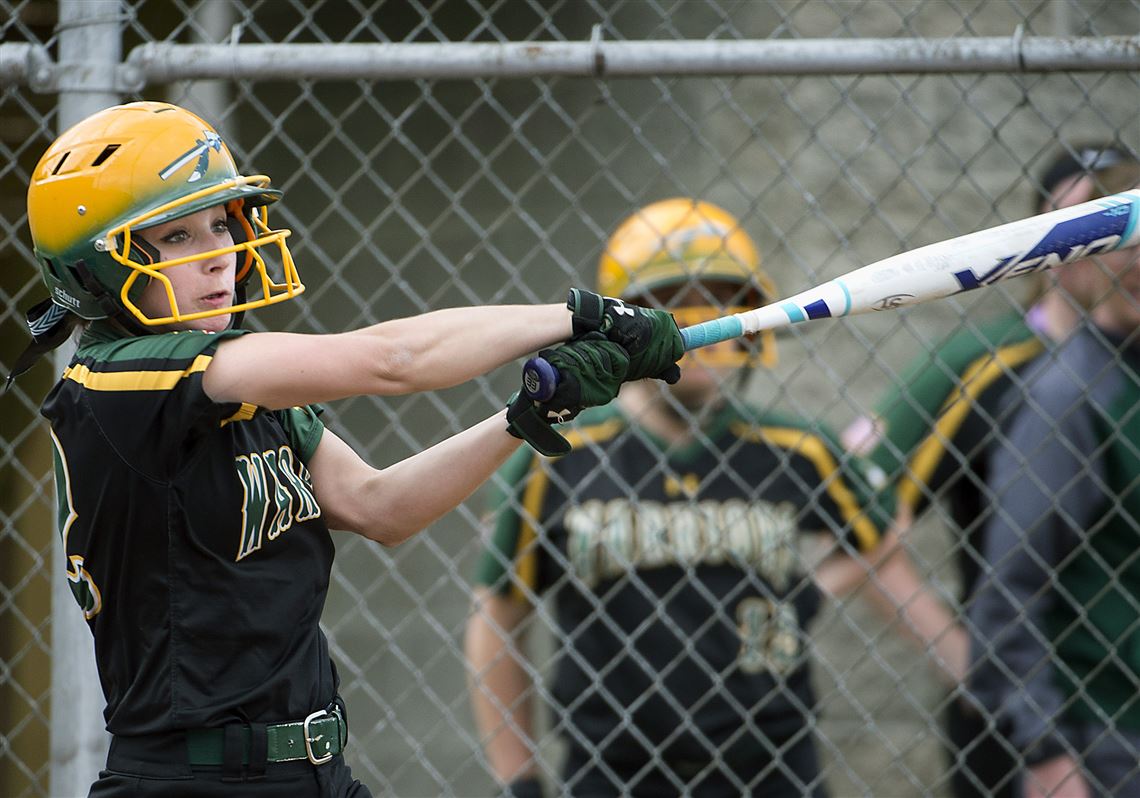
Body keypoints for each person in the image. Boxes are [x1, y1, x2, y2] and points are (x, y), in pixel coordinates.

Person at [14, 101, 684, 798]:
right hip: (193, 781)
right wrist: (583, 314)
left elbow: (379, 506)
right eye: (177, 237)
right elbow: (390, 360)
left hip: (314, 773)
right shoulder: (120, 382)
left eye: (219, 224)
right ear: (95, 274)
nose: (217, 255)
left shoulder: (231, 384)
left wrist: (525, 415)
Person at [464, 198, 896, 798]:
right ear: (624, 321)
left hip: (772, 767)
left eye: (721, 298)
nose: (700, 323)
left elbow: (881, 528)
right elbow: (498, 619)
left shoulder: (797, 449)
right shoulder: (558, 458)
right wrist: (521, 782)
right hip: (611, 771)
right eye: (671, 302)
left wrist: (816, 587)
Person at [818, 143, 1140, 798]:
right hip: (1031, 714)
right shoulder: (981, 362)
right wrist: (968, 663)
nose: (1093, 246)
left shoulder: (1122, 369)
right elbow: (850, 518)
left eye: (1110, 222)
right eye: (1069, 223)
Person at [969, 162, 1140, 798]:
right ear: (1090, 261)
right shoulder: (1069, 396)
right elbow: (1008, 592)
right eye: (1125, 245)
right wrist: (1046, 754)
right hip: (1109, 739)